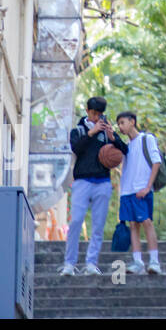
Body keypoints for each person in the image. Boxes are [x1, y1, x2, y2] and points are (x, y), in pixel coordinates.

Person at [59, 96, 127, 276]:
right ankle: (69, 264)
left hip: (103, 182)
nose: (97, 118)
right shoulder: (78, 131)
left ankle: (91, 263)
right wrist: (91, 133)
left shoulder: (106, 132)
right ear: (87, 111)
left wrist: (113, 138)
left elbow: (123, 150)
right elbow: (76, 148)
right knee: (75, 221)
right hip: (81, 181)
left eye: (100, 114)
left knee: (98, 226)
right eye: (94, 113)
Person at [115, 112, 162, 275]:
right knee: (133, 226)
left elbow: (156, 162)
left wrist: (148, 187)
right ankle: (138, 262)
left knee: (146, 222)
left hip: (141, 188)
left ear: (132, 122)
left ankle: (154, 261)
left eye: (122, 122)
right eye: (118, 124)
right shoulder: (126, 146)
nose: (120, 127)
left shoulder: (146, 139)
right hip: (127, 190)